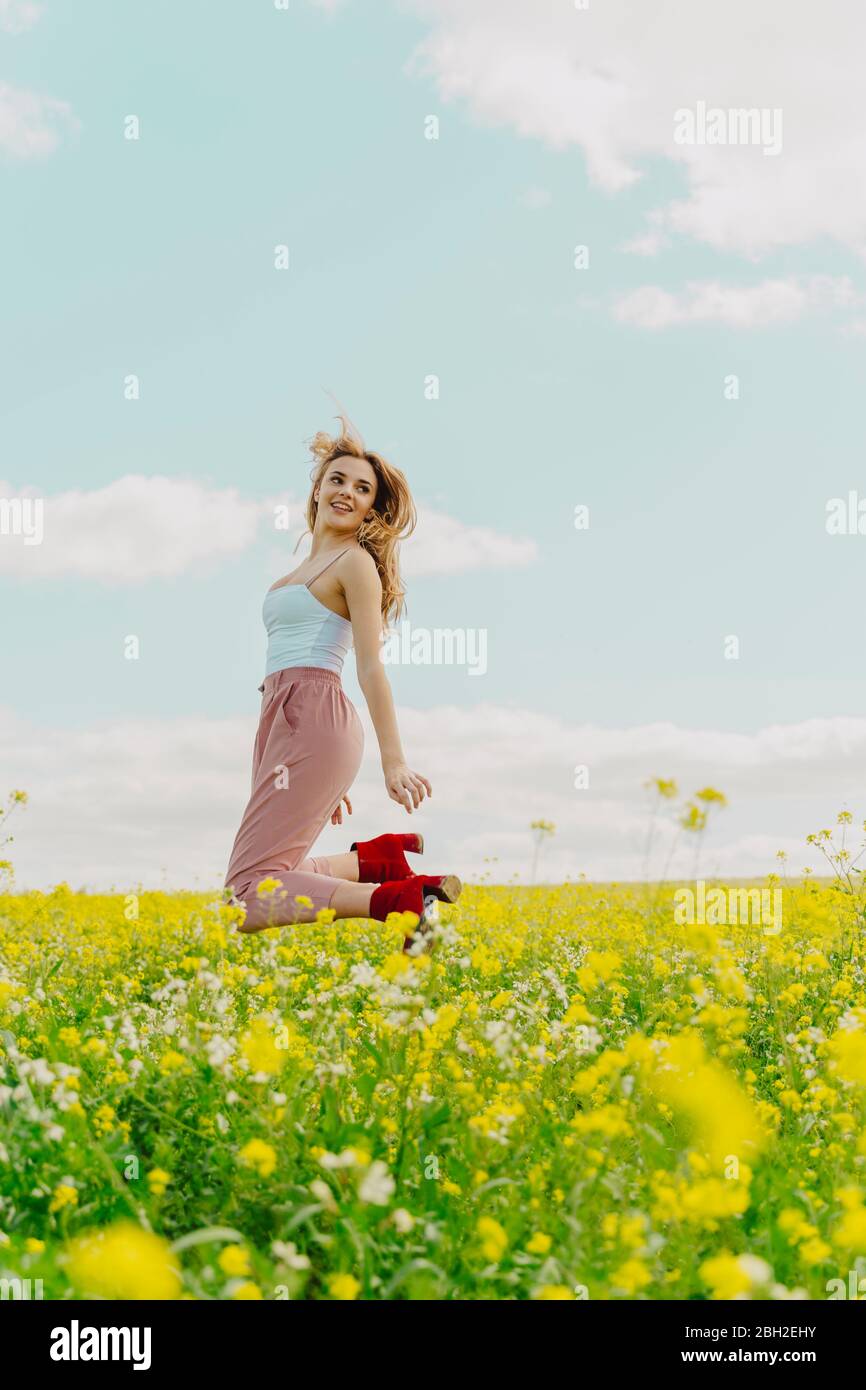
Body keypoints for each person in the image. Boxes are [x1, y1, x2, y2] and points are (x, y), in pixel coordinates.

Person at [223, 414, 461, 949]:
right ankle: (372, 862)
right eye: (338, 480)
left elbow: (371, 664)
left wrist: (392, 760)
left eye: (362, 489)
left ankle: (400, 900)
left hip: (314, 715)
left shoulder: (355, 564)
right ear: (317, 488)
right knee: (275, 866)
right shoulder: (292, 574)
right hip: (283, 720)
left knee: (244, 895)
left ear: (370, 507)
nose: (347, 493)